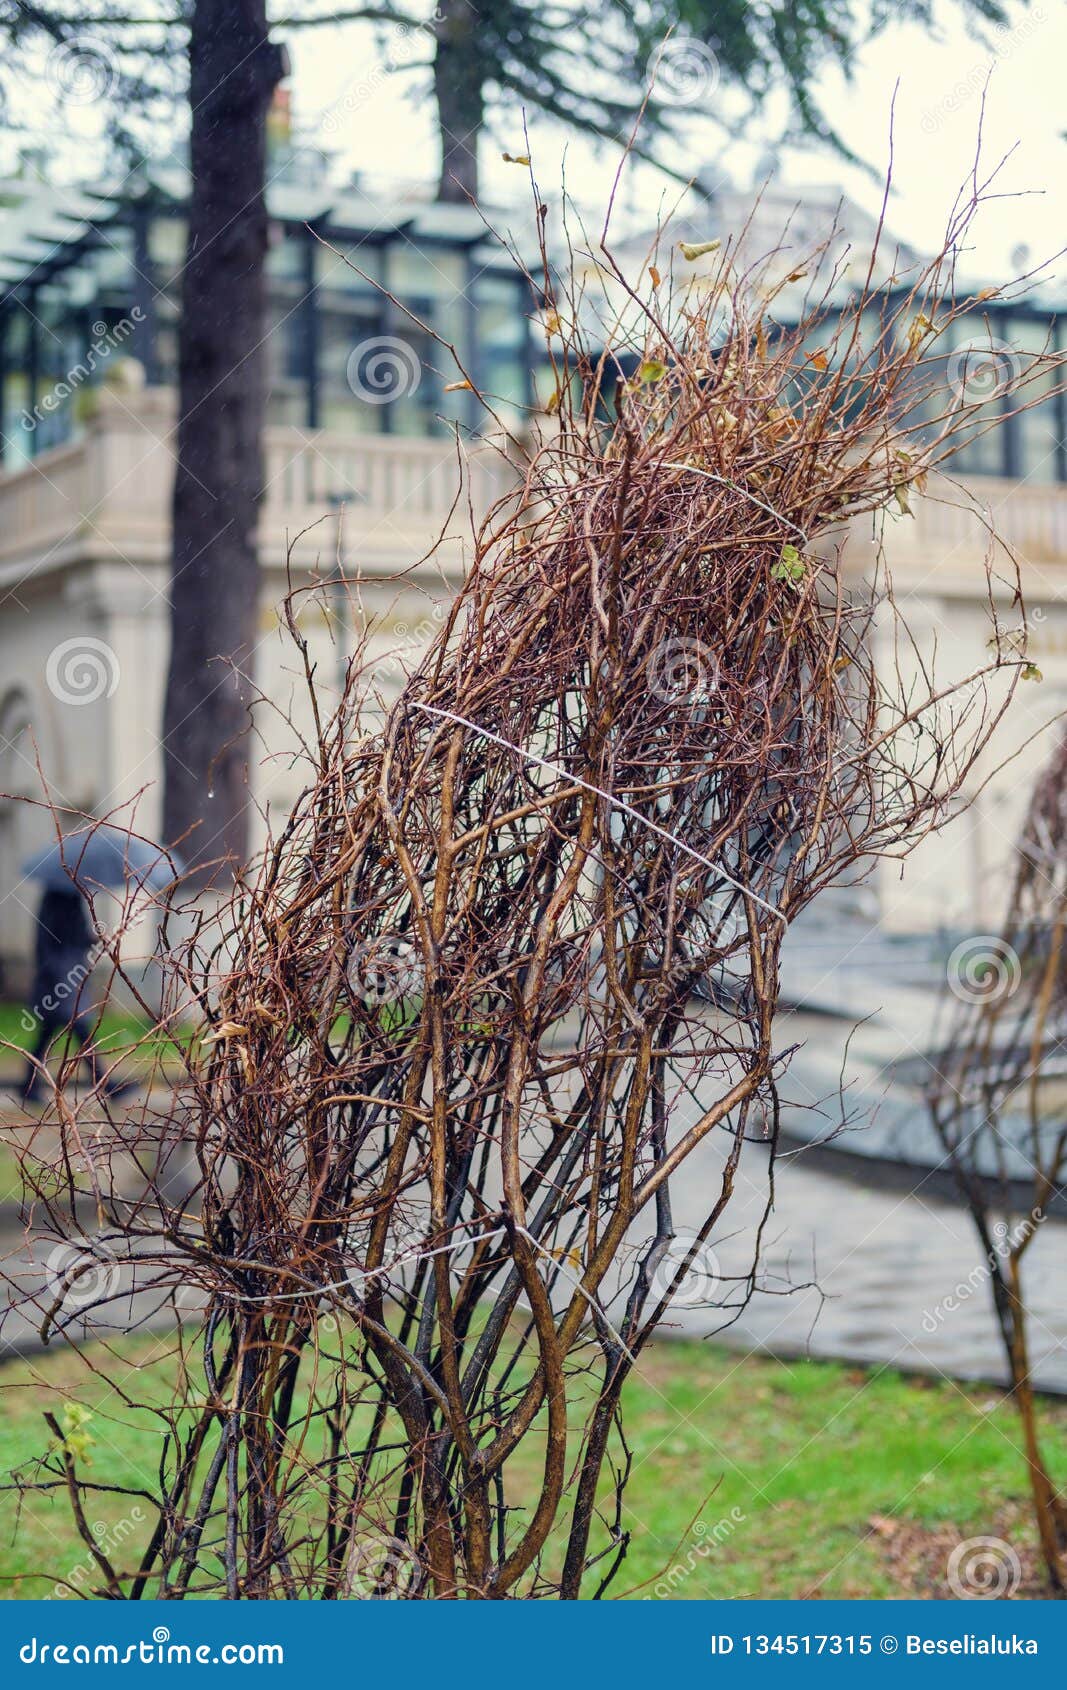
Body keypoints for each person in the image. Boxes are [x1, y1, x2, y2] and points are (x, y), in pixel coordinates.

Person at [19, 887, 134, 1105]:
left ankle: (28, 1085)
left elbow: (73, 936)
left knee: (50, 1036)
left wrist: (95, 938)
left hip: (68, 976)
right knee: (77, 1031)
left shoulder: (68, 897)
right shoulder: (57, 899)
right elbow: (52, 940)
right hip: (60, 980)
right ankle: (105, 1086)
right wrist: (57, 976)